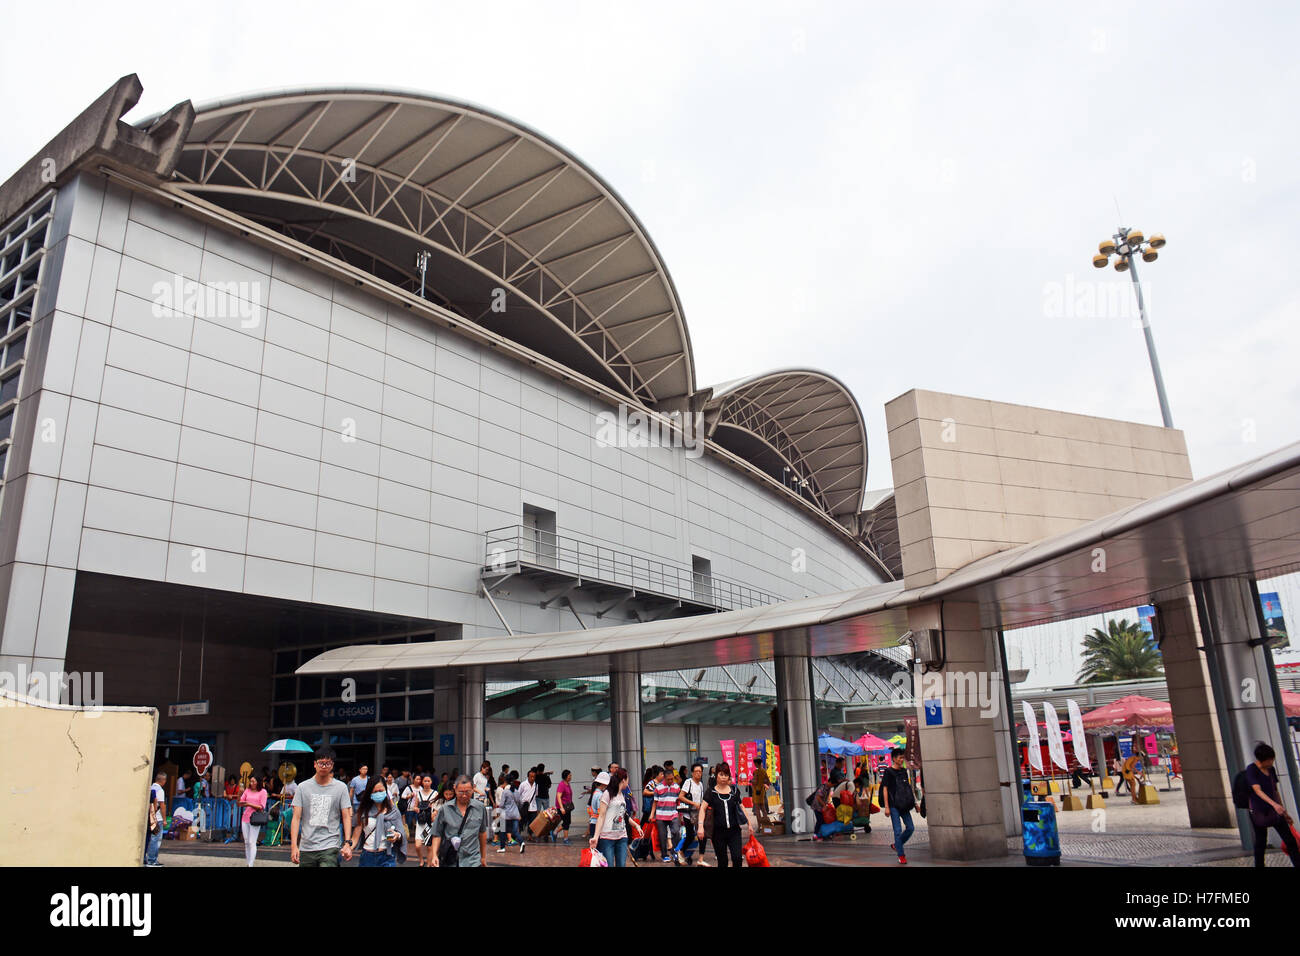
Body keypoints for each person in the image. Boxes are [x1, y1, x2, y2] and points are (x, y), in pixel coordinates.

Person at [290, 746, 353, 867]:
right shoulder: (303, 787)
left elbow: (346, 816)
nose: (324, 766)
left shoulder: (341, 788)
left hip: (330, 845)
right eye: (321, 763)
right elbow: (296, 818)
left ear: (332, 765)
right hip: (307, 846)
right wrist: (294, 846)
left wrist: (347, 843)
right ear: (315, 764)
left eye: (327, 763)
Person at [1245, 742, 1300, 868]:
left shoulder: (1271, 769)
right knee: (1261, 842)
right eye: (1270, 760)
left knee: (1290, 840)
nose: (1272, 762)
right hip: (1259, 811)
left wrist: (1283, 811)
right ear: (1263, 760)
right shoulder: (1252, 769)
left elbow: (1274, 790)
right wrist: (1274, 805)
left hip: (1275, 811)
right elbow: (1257, 790)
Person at [431, 775, 490, 867]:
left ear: (473, 789)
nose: (464, 795)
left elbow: (482, 833)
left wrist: (483, 857)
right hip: (451, 859)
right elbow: (437, 834)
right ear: (455, 788)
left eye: (468, 792)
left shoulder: (480, 808)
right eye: (460, 792)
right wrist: (434, 855)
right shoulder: (445, 809)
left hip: (473, 860)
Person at [348, 777, 407, 867]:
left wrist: (396, 835)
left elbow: (401, 832)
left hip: (387, 855)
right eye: (375, 792)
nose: (378, 793)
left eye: (381, 790)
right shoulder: (363, 812)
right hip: (368, 856)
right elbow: (355, 838)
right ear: (369, 793)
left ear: (386, 791)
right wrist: (348, 848)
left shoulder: (393, 811)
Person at [698, 762, 745, 868]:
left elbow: (741, 807)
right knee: (722, 860)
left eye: (726, 775)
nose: (723, 777)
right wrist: (701, 826)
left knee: (737, 858)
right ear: (716, 775)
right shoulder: (711, 792)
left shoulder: (734, 791)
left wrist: (749, 824)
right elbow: (702, 809)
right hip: (718, 832)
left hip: (734, 831)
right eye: (721, 774)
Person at [879, 749, 916, 864]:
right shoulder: (888, 772)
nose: (901, 760)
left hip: (904, 804)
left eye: (902, 757)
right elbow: (884, 788)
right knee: (897, 831)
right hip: (893, 805)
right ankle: (901, 855)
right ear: (894, 758)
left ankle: (896, 844)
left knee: (910, 828)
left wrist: (915, 803)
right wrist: (886, 806)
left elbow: (907, 788)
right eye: (900, 758)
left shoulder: (904, 771)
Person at [589, 770, 629, 867]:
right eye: (628, 780)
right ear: (623, 780)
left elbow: (623, 815)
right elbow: (601, 816)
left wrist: (636, 825)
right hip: (607, 837)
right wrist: (595, 837)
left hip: (622, 836)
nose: (628, 782)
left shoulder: (621, 795)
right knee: (608, 865)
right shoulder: (607, 794)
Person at [675, 762, 706, 865]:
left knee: (702, 835)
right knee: (690, 836)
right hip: (688, 814)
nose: (698, 773)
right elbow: (680, 796)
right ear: (692, 773)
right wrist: (693, 803)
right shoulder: (688, 782)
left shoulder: (701, 784)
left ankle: (700, 858)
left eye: (700, 772)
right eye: (696, 771)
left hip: (698, 814)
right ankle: (681, 851)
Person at [654, 763, 683, 863]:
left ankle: (675, 852)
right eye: (668, 779)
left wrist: (680, 815)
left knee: (676, 832)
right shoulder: (658, 788)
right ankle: (664, 855)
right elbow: (655, 802)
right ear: (664, 778)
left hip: (673, 814)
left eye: (672, 779)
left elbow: (678, 802)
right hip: (661, 816)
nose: (670, 781)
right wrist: (651, 815)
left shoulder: (677, 787)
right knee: (663, 836)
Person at [238, 775, 269, 866]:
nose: (251, 783)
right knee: (246, 842)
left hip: (255, 818)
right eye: (250, 781)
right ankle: (248, 862)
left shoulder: (263, 792)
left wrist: (249, 804)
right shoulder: (247, 790)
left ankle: (251, 864)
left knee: (252, 841)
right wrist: (240, 795)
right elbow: (240, 802)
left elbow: (261, 807)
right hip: (245, 818)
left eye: (253, 781)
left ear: (258, 782)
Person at [411, 774, 438, 867]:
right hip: (421, 821)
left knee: (429, 846)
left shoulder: (435, 794)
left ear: (431, 782)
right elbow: (414, 806)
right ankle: (421, 860)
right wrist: (417, 809)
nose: (426, 783)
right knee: (417, 845)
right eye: (425, 781)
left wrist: (433, 812)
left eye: (428, 781)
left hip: (429, 822)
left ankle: (429, 864)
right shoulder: (418, 793)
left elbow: (437, 808)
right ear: (422, 782)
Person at [144, 772, 167, 867]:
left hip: (149, 817)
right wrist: (164, 819)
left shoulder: (150, 787)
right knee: (156, 839)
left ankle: (146, 858)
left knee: (149, 838)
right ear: (163, 781)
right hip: (157, 818)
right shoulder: (160, 790)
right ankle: (152, 860)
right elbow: (162, 805)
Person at [496, 775, 522, 852]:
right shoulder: (516, 791)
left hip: (506, 814)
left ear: (505, 781)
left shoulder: (505, 791)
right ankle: (521, 842)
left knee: (503, 830)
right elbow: (520, 803)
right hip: (515, 814)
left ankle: (502, 847)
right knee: (514, 831)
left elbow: (501, 804)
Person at [516, 767, 539, 848]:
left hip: (533, 807)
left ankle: (530, 836)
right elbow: (518, 794)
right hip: (524, 806)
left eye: (534, 777)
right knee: (522, 821)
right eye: (531, 777)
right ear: (528, 776)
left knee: (532, 822)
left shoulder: (536, 785)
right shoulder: (523, 784)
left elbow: (536, 795)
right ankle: (518, 835)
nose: (532, 778)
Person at [555, 769, 575, 845]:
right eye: (569, 775)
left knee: (567, 822)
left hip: (567, 807)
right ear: (565, 776)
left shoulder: (567, 784)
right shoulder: (562, 785)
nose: (570, 776)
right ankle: (565, 839)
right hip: (562, 807)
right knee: (566, 822)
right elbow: (558, 796)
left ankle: (555, 833)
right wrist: (561, 808)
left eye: (570, 775)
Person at [751, 757, 771, 826]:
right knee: (763, 808)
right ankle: (766, 823)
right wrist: (762, 782)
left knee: (757, 810)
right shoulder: (763, 771)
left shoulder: (756, 772)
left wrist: (751, 781)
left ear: (756, 763)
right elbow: (768, 781)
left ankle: (759, 825)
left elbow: (755, 782)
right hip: (762, 791)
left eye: (754, 763)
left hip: (756, 792)